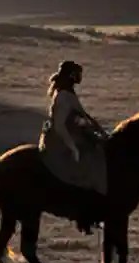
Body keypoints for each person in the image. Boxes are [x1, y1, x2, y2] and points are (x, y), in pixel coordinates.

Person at [39, 60, 108, 234]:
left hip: (73, 136)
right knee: (89, 165)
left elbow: (82, 115)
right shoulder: (63, 96)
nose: (80, 77)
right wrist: (73, 148)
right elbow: (59, 126)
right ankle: (85, 212)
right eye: (77, 74)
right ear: (71, 75)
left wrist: (99, 130)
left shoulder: (68, 93)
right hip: (61, 142)